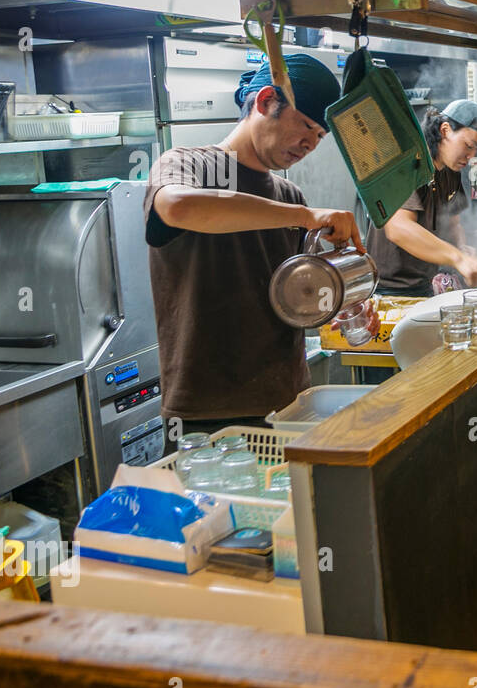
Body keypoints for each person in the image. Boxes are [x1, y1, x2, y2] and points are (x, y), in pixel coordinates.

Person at [145, 53, 362, 438]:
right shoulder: (192, 165)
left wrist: (339, 311)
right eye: (306, 126)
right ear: (265, 102)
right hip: (208, 411)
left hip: (289, 400)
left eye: (319, 137)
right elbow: (178, 207)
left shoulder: (287, 193)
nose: (310, 143)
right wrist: (304, 216)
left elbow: (295, 296)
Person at [365, 100, 477, 296]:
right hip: (388, 291)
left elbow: (453, 223)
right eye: (469, 145)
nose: (471, 156)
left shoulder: (451, 171)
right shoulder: (411, 164)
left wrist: (462, 248)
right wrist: (458, 258)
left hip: (423, 286)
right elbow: (398, 228)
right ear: (445, 130)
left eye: (476, 150)